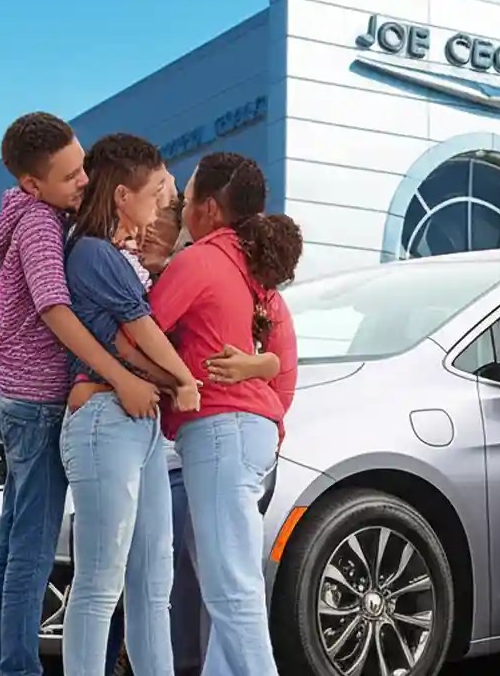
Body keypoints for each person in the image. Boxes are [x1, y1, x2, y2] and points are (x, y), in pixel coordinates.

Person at [0, 112, 161, 676]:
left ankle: (1, 664)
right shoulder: (39, 224)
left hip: (19, 397)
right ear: (32, 184)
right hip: (37, 404)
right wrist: (123, 377)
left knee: (13, 543)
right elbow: (55, 310)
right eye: (69, 176)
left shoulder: (33, 212)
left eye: (82, 166)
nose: (84, 180)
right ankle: (16, 668)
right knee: (32, 549)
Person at [148, 151, 302, 676]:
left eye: (187, 198)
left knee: (231, 589)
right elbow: (284, 374)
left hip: (220, 434)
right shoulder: (259, 273)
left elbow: (142, 331)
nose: (181, 207)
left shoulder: (199, 262)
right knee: (231, 582)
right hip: (252, 437)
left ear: (210, 209)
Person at [58, 133, 203, 676]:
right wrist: (183, 379)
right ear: (122, 195)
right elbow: (138, 331)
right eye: (153, 192)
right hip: (103, 422)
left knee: (153, 582)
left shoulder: (120, 255)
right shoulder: (93, 252)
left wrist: (172, 381)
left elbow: (133, 340)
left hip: (139, 425)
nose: (160, 204)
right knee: (101, 582)